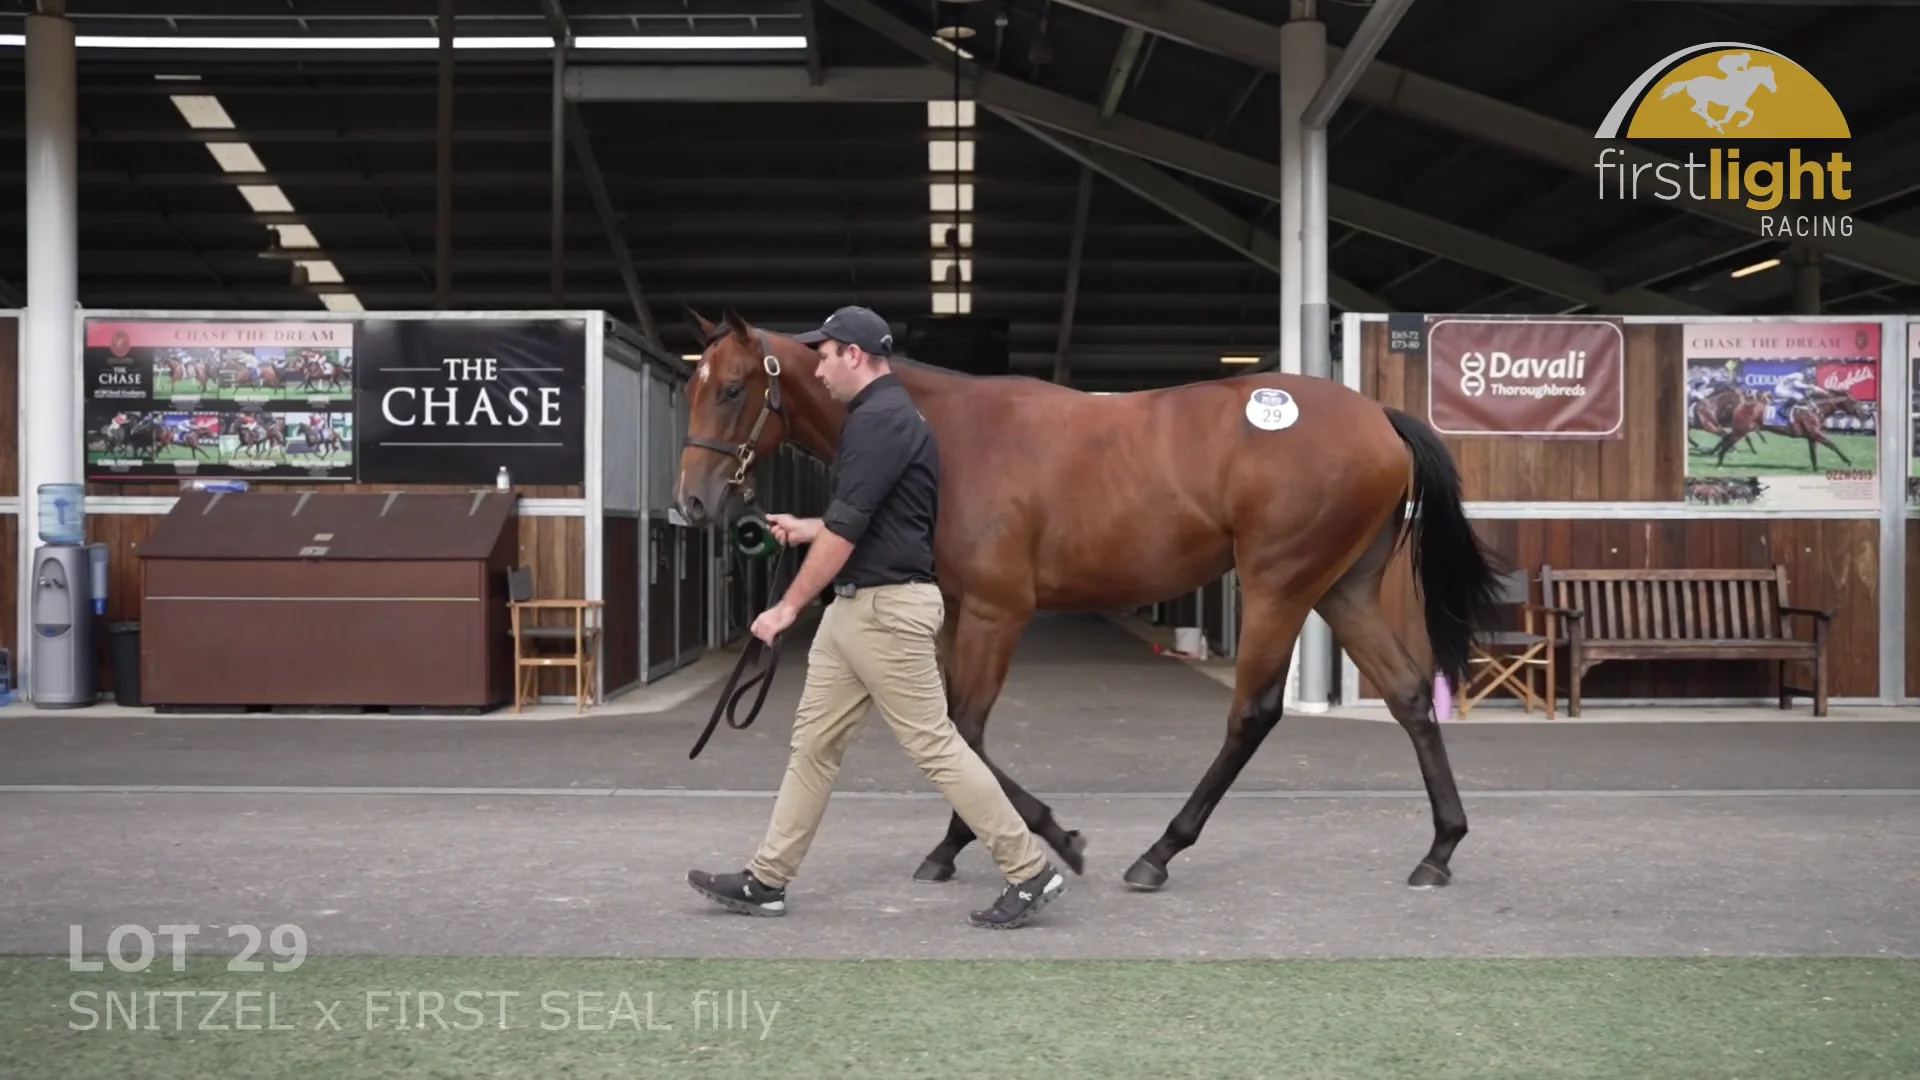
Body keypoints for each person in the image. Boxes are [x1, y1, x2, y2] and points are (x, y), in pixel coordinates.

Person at [686, 305, 1067, 930]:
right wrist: (810, 527)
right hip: (858, 609)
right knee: (814, 744)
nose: (821, 367)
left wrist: (784, 608)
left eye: (828, 354)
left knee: (934, 746)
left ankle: (1029, 870)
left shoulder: (880, 423)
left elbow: (845, 536)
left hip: (886, 611)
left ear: (855, 355)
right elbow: (872, 521)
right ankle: (767, 879)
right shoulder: (883, 419)